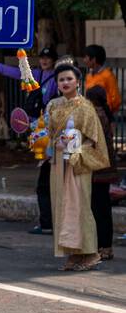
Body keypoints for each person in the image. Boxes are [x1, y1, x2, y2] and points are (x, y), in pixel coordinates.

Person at [45, 60, 110, 271]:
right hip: (58, 163)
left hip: (78, 163)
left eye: (69, 79)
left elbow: (95, 140)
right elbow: (48, 133)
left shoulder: (85, 107)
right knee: (61, 207)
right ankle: (72, 253)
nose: (65, 82)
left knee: (80, 207)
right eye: (61, 79)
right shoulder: (53, 105)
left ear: (77, 82)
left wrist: (76, 149)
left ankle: (91, 253)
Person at [0, 47, 58, 234]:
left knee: (48, 185)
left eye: (48, 58)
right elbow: (18, 72)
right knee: (45, 183)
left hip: (53, 141)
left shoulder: (57, 84)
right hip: (41, 133)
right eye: (42, 57)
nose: (45, 60)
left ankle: (49, 224)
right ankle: (49, 223)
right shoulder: (36, 74)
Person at [85, 85, 117, 263]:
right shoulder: (105, 114)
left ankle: (102, 247)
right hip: (105, 169)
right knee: (103, 208)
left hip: (97, 170)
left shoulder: (96, 115)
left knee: (99, 209)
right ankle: (105, 247)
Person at [83, 44, 120, 114]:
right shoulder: (89, 76)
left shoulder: (108, 75)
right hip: (91, 114)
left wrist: (109, 114)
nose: (84, 60)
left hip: (105, 114)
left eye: (85, 57)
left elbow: (115, 99)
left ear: (93, 59)